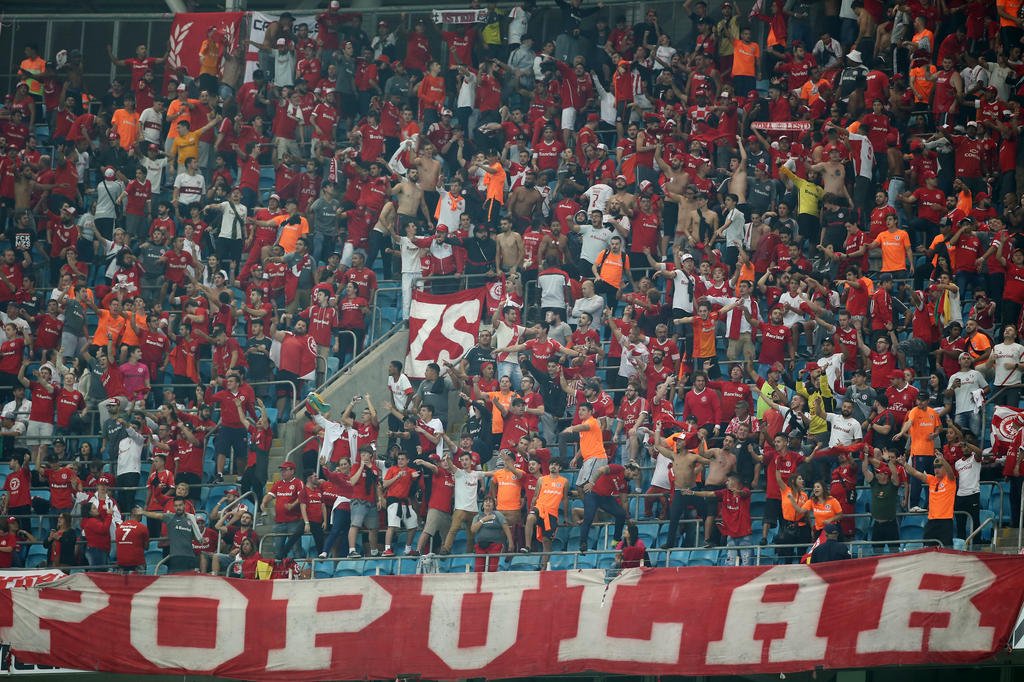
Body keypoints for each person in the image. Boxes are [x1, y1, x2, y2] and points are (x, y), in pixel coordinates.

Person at [577, 461, 639, 553]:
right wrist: (592, 482)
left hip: (605, 498)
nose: (634, 478)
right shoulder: (618, 468)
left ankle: (616, 540)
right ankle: (583, 543)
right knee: (588, 518)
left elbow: (624, 501)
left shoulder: (625, 484)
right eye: (634, 475)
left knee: (621, 514)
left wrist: (627, 517)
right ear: (629, 470)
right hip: (592, 494)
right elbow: (600, 470)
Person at [901, 453, 957, 549]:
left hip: (946, 521)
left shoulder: (950, 481)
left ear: (945, 468)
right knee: (927, 549)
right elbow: (915, 473)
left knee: (947, 550)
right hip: (931, 521)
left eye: (939, 467)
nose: (936, 469)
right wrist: (904, 464)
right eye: (935, 467)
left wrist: (943, 460)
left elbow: (951, 472)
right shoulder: (932, 480)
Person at [136, 498, 204, 573]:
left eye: (180, 505)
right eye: (176, 506)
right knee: (175, 579)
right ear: (174, 507)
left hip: (190, 556)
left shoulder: (191, 519)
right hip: (176, 557)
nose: (178, 507)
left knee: (190, 579)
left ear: (184, 505)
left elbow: (195, 537)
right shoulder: (170, 517)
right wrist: (143, 512)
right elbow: (157, 515)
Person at [471, 496, 514, 572]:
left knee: (492, 569)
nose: (488, 503)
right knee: (478, 569)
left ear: (493, 506)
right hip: (480, 546)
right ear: (482, 505)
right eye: (486, 501)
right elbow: (473, 530)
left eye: (490, 501)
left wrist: (510, 543)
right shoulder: (477, 517)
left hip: (495, 545)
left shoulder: (498, 514)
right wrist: (484, 520)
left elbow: (506, 528)